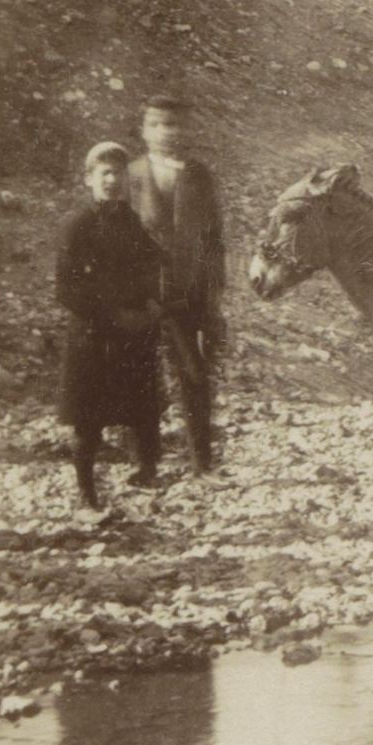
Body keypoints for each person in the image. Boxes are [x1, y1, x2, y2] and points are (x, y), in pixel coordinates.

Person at [55, 143, 167, 507]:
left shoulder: (131, 222)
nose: (111, 179)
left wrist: (153, 303)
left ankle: (147, 471)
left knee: (143, 406)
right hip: (94, 335)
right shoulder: (77, 225)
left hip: (133, 334)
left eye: (118, 172)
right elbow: (67, 289)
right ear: (89, 179)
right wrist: (113, 315)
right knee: (88, 423)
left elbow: (154, 264)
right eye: (103, 172)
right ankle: (87, 495)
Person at [127, 95, 227, 473]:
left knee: (194, 374)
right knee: (140, 373)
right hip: (143, 293)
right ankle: (143, 461)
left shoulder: (198, 174)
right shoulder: (132, 173)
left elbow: (214, 239)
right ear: (144, 130)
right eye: (157, 124)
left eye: (174, 124)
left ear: (187, 130)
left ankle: (202, 460)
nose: (166, 133)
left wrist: (213, 294)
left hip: (190, 295)